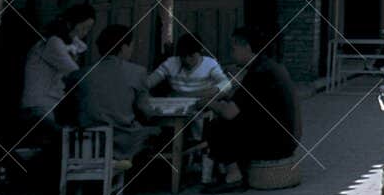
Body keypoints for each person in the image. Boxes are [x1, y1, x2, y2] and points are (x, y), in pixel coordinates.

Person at [204, 27, 299, 193]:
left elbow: (229, 112)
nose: (232, 54)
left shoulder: (258, 73)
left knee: (217, 126)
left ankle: (234, 175)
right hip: (288, 137)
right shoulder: (268, 65)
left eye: (234, 49)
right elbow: (246, 103)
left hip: (277, 143)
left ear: (246, 47)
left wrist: (208, 103)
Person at [77, 24, 152, 157]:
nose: (132, 50)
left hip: (87, 145)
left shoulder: (81, 74)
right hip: (122, 143)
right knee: (157, 134)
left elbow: (65, 112)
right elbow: (145, 111)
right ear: (123, 47)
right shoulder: (137, 72)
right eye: (131, 46)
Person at [20, 11, 89, 133]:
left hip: (46, 106)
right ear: (69, 25)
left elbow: (81, 49)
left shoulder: (59, 44)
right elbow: (76, 74)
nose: (85, 33)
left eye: (88, 29)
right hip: (38, 107)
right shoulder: (53, 43)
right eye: (83, 27)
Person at [145, 34, 232, 99]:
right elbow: (149, 82)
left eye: (191, 56)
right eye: (183, 56)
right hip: (176, 105)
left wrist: (190, 95)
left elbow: (226, 84)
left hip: (201, 104)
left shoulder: (210, 64)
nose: (187, 60)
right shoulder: (171, 63)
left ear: (200, 52)